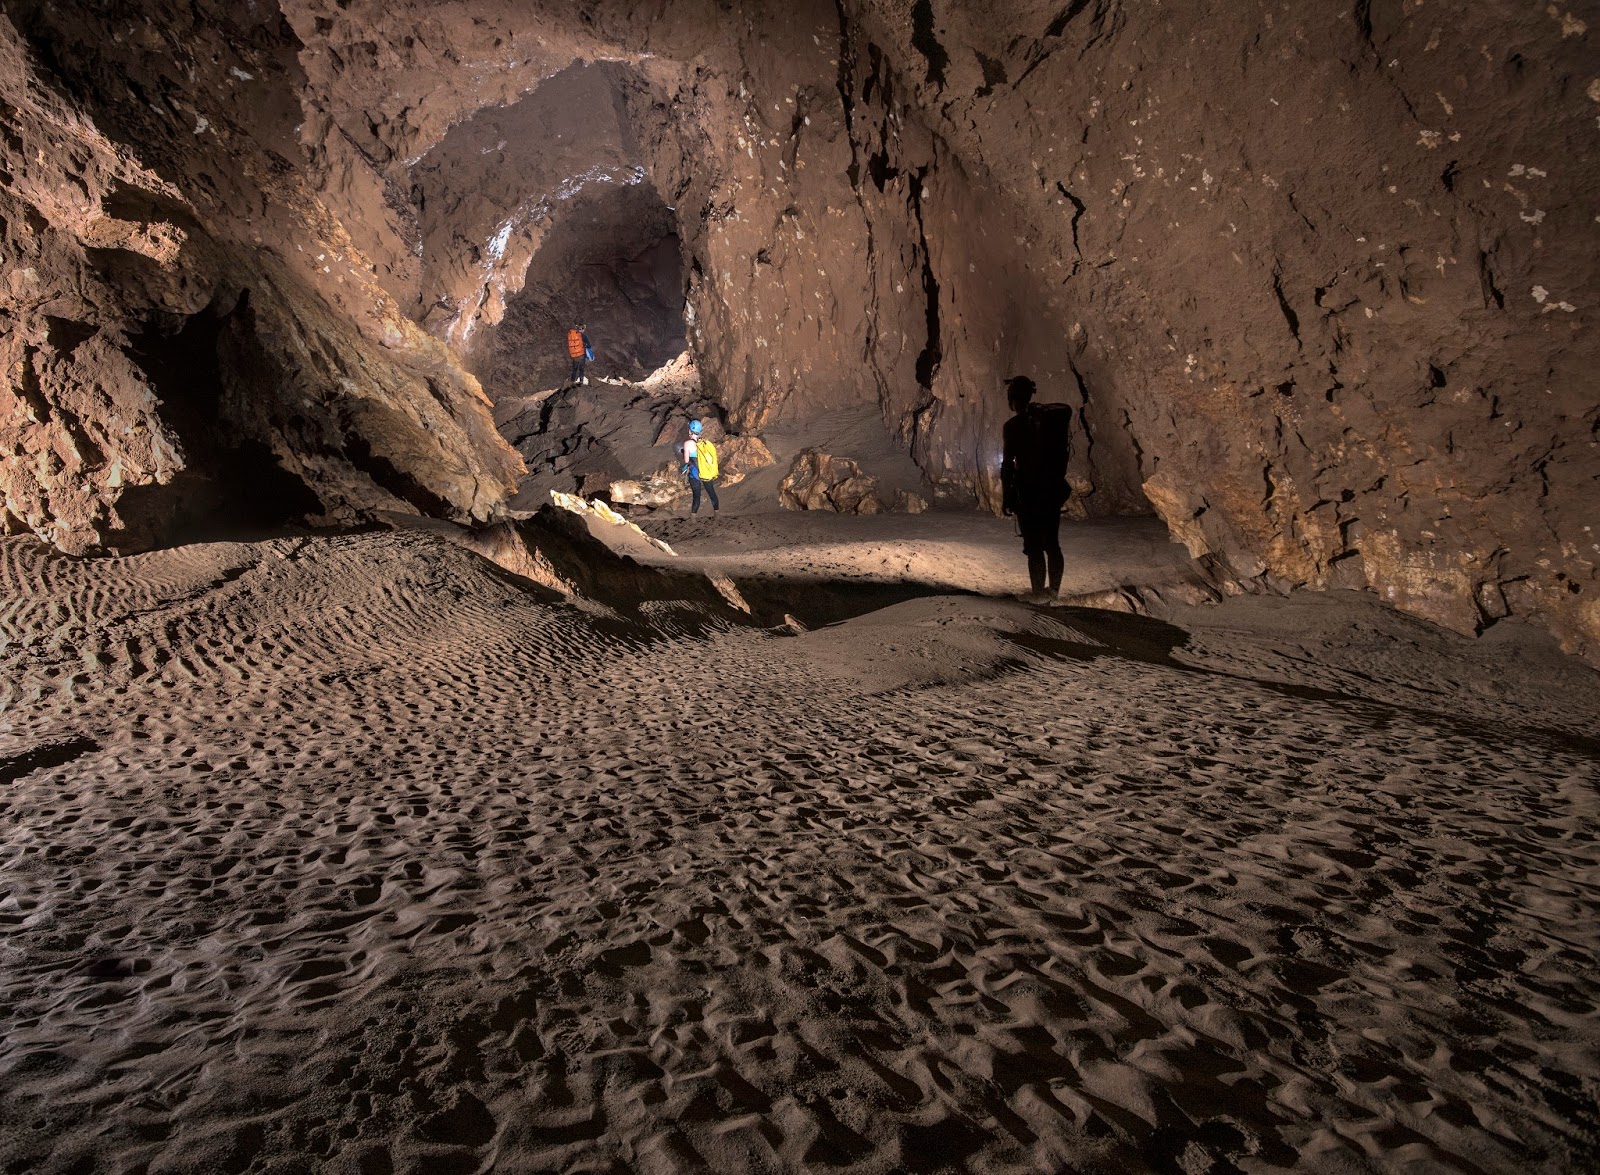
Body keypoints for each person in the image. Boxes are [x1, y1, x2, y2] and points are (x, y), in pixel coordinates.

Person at [1000, 375, 1070, 601]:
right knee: (1052, 543)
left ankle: (1039, 593)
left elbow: (1007, 464)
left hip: (1027, 492)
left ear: (1013, 399)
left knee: (1033, 547)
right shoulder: (1048, 421)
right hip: (1051, 490)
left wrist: (1006, 496)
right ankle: (1054, 592)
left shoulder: (1012, 426)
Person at [681, 419, 720, 515]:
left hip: (695, 473)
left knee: (696, 496)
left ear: (690, 430)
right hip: (706, 471)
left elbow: (686, 460)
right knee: (712, 493)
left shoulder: (687, 444)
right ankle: (717, 515)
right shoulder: (704, 443)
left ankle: (693, 518)